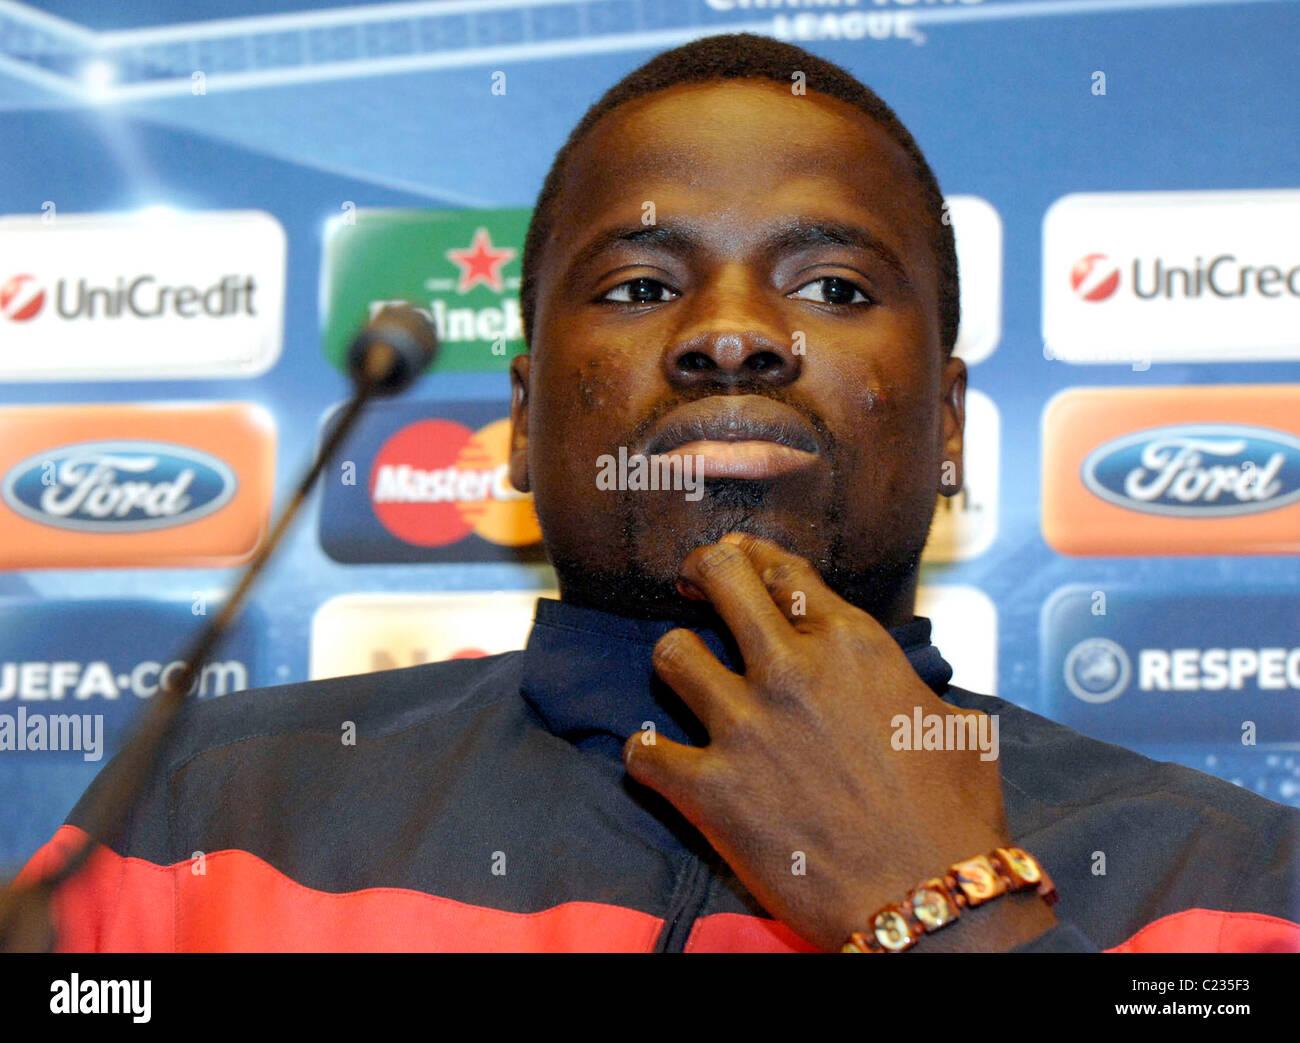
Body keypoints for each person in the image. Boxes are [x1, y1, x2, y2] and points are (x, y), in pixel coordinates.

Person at [15, 32, 1299, 953]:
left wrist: (946, 907)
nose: (731, 334)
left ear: (949, 423)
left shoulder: (1230, 875)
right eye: (637, 286)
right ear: (518, 421)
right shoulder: (210, 805)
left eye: (833, 287)